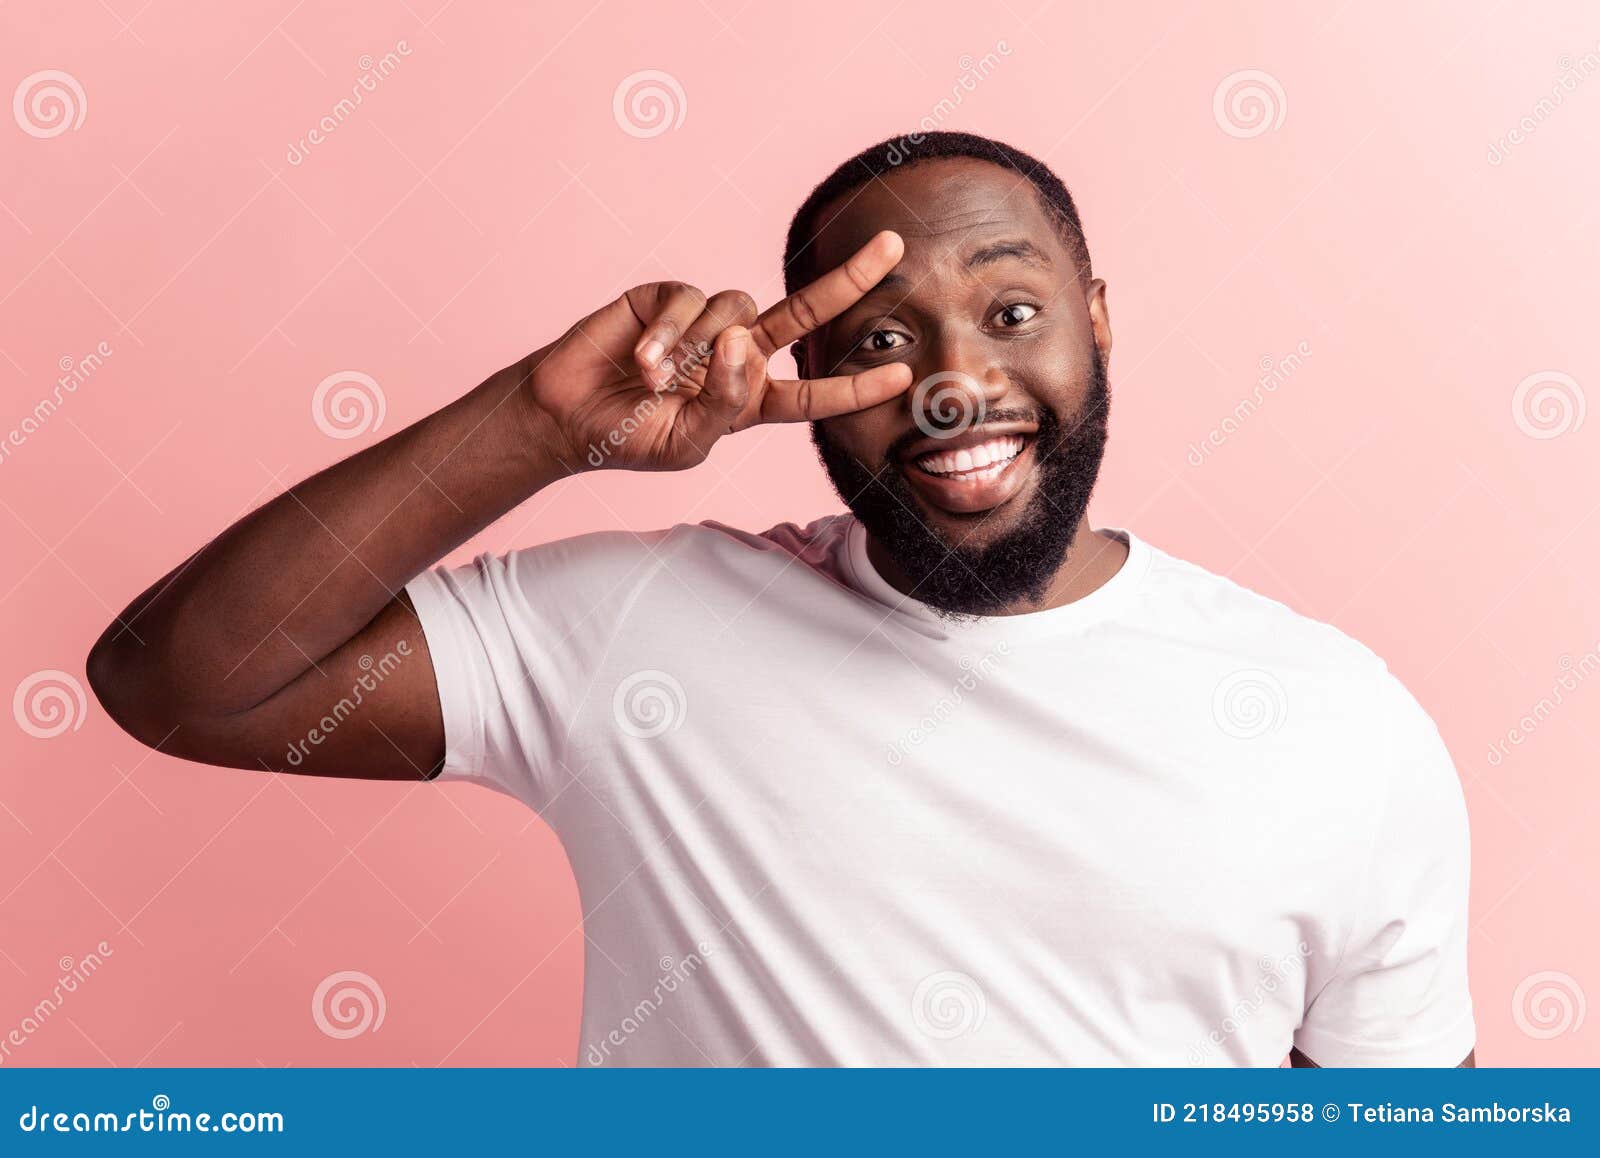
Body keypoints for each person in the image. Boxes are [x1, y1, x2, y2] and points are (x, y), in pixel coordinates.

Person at [86, 131, 1474, 1067]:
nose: (949, 383)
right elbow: (178, 678)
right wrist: (537, 424)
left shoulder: (1333, 721)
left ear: (1095, 317)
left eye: (1009, 312)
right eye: (880, 337)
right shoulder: (640, 629)